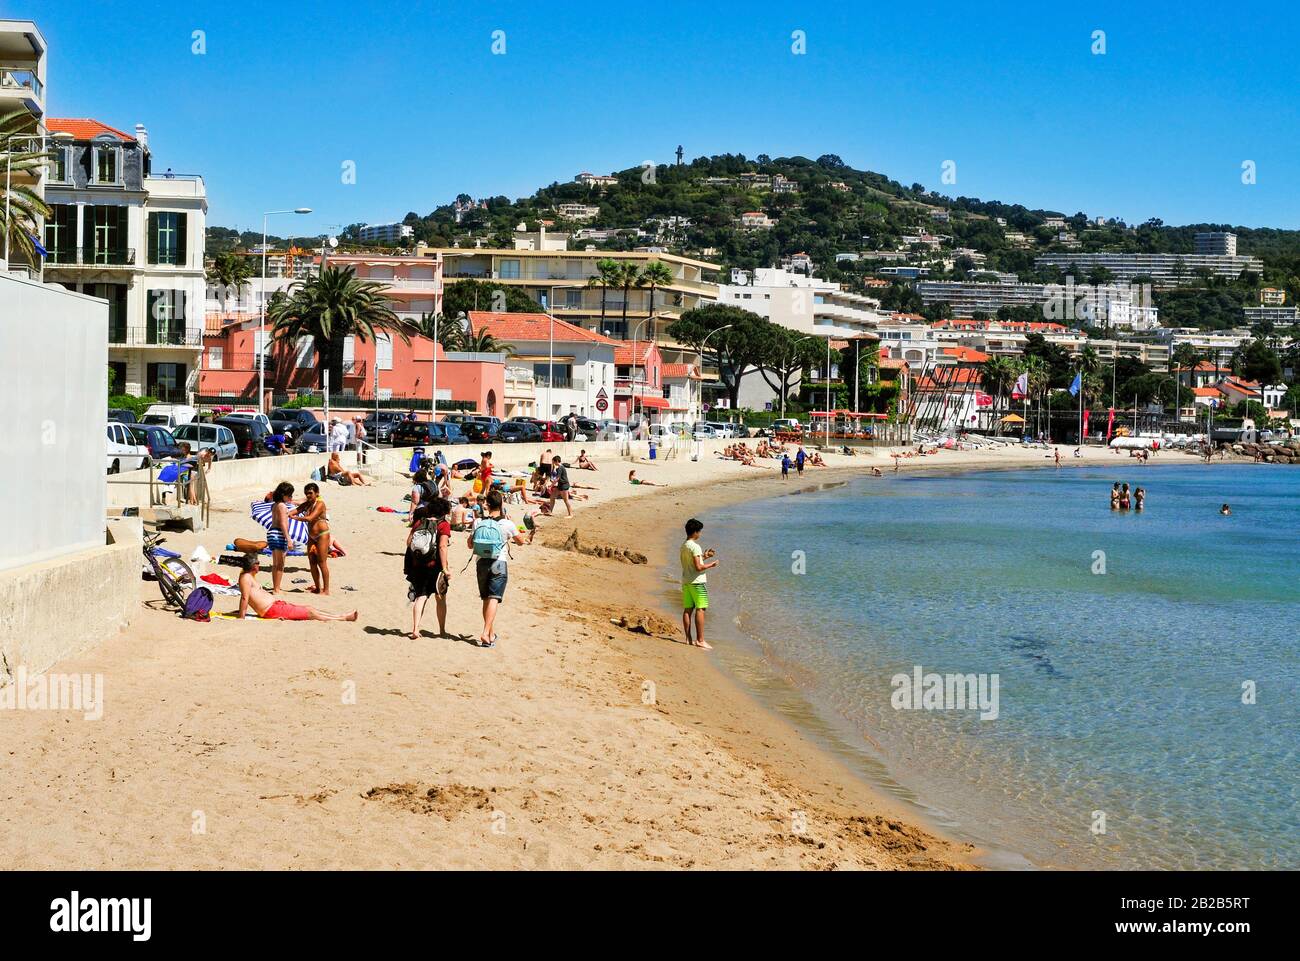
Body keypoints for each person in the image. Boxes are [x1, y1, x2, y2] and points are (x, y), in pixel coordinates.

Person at [467, 490, 526, 648]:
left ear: (486, 505)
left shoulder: (478, 522)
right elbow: (520, 541)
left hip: (481, 563)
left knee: (486, 598)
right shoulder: (507, 524)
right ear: (501, 504)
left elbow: (470, 544)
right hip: (499, 562)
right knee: (494, 598)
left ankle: (490, 634)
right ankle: (486, 633)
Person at [234, 553, 356, 622]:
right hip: (271, 610)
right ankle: (343, 618)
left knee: (309, 608)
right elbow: (245, 598)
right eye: (258, 563)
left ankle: (341, 616)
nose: (259, 565)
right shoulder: (245, 578)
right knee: (310, 612)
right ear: (253, 565)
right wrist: (241, 617)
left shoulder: (248, 577)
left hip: (276, 606)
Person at [405, 497, 452, 639]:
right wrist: (445, 568)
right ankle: (442, 631)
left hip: (418, 565)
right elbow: (443, 547)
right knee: (440, 597)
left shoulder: (420, 522)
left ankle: (415, 629)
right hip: (435, 566)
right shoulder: (443, 525)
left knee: (421, 596)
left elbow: (408, 542)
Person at [680, 518, 718, 650]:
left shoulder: (684, 545)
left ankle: (688, 638)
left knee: (687, 610)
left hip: (686, 581)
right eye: (699, 531)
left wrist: (705, 556)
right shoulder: (695, 546)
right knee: (701, 609)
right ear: (695, 532)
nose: (700, 534)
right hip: (697, 582)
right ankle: (700, 640)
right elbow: (698, 567)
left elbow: (693, 562)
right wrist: (711, 565)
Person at [291, 482, 332, 595]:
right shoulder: (307, 504)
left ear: (317, 493)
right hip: (311, 536)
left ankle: (326, 590)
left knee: (322, 562)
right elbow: (296, 510)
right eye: (306, 493)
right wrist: (285, 513)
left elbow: (310, 518)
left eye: (310, 493)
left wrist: (294, 518)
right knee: (312, 562)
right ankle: (318, 588)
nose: (308, 495)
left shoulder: (320, 504)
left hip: (322, 534)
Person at [267, 482, 296, 594]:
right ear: (284, 495)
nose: (291, 497)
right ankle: (276, 589)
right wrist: (288, 539)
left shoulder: (274, 505)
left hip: (272, 533)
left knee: (275, 564)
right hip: (279, 534)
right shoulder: (282, 506)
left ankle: (276, 587)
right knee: (280, 564)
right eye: (289, 495)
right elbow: (283, 524)